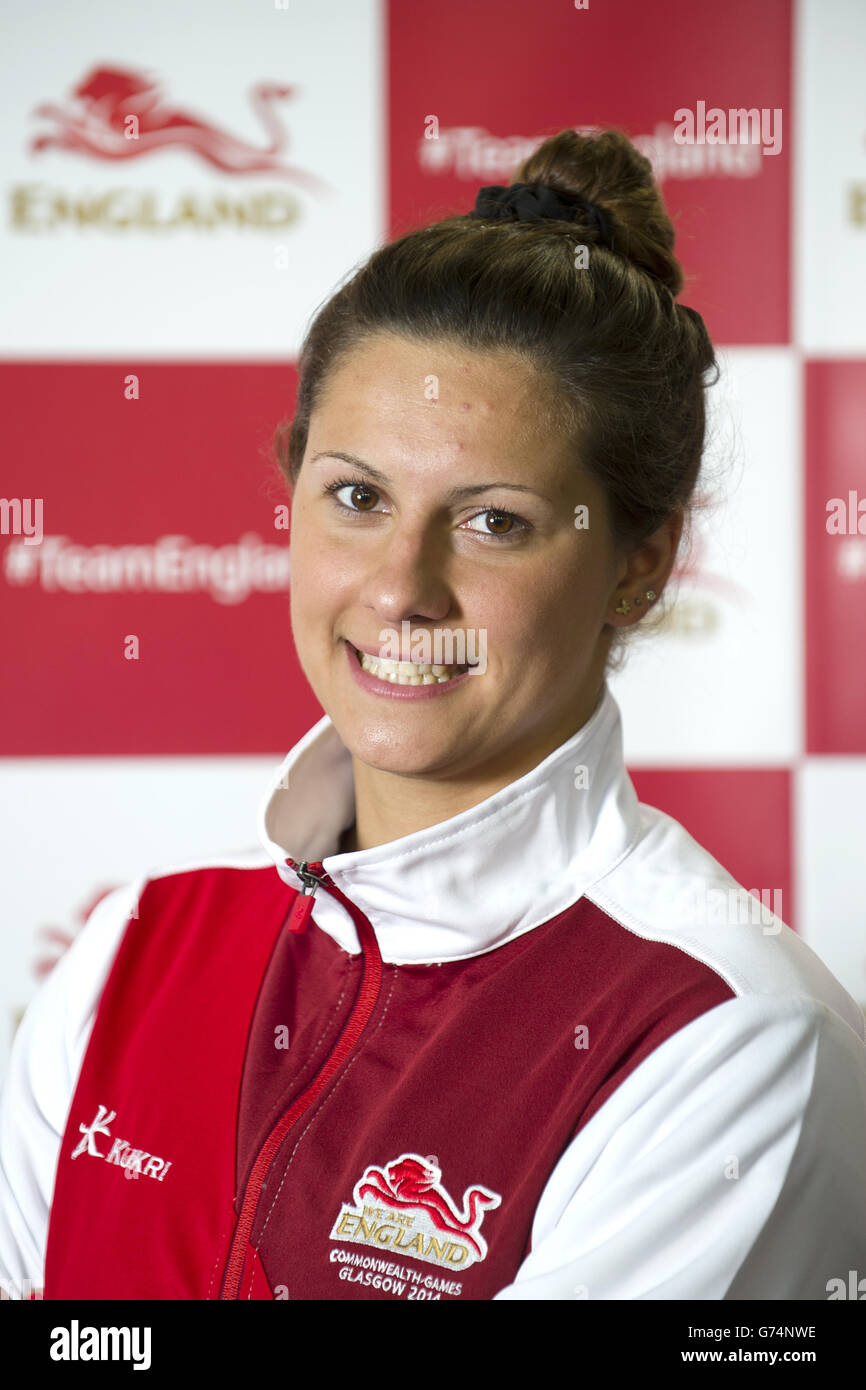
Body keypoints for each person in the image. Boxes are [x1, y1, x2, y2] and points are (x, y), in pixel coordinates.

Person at [2, 127, 865, 1302]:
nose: (400, 586)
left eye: (492, 520)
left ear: (639, 563)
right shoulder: (132, 949)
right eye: (356, 496)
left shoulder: (726, 1032)